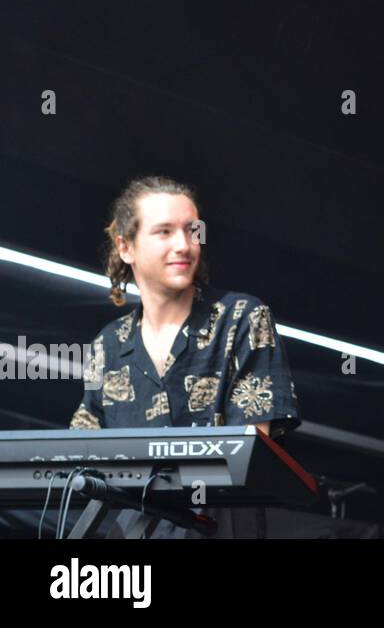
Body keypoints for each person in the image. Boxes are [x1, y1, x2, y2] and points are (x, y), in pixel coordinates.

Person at [67, 175, 301, 538]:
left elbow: (251, 452)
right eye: (164, 232)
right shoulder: (108, 345)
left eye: (192, 231)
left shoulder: (241, 317)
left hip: (220, 528)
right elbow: (80, 454)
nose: (185, 245)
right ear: (125, 247)